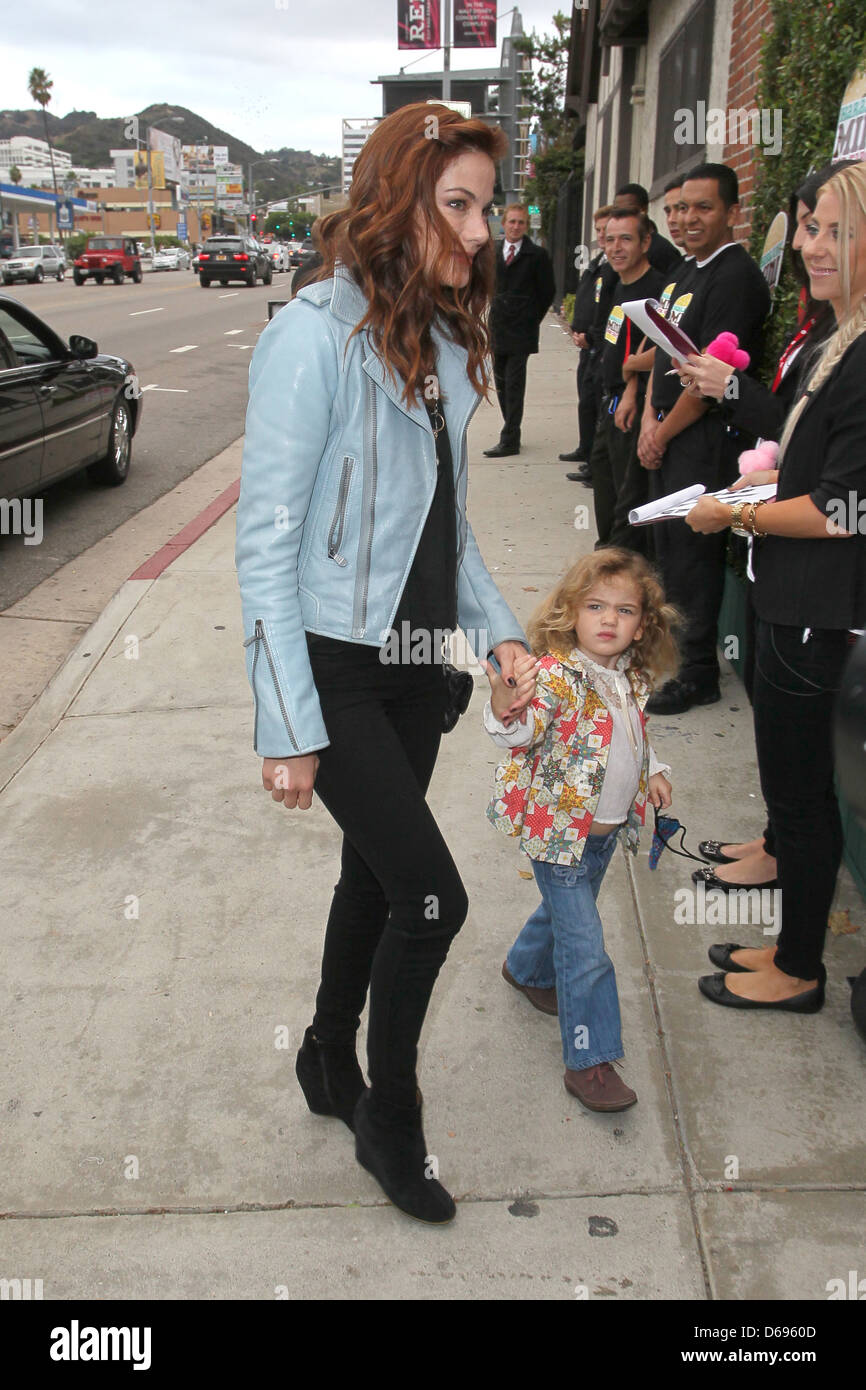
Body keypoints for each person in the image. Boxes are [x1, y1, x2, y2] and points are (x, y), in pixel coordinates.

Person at [235, 102, 531, 1224]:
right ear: (395, 199)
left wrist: (496, 629)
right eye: (453, 204)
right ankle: (389, 1116)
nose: (475, 228)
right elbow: (263, 540)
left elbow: (446, 529)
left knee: (372, 870)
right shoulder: (309, 338)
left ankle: (324, 1053)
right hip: (334, 666)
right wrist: (287, 724)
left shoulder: (447, 338)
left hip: (417, 667)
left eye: (483, 207)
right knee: (431, 896)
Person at [686, 161, 866, 1011]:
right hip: (787, 595)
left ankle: (799, 972)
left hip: (815, 604)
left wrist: (738, 517)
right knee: (790, 789)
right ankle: (792, 950)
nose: (811, 245)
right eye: (811, 228)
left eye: (834, 230)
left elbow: (840, 509)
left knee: (800, 795)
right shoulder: (837, 338)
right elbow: (806, 464)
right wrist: (752, 493)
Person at [483, 549, 677, 1110]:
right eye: (595, 606)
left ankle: (523, 968)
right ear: (570, 612)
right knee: (586, 947)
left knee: (565, 918)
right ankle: (590, 1061)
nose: (609, 620)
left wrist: (654, 769)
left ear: (643, 624)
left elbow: (630, 733)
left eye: (625, 610)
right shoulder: (556, 677)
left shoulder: (629, 676)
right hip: (559, 841)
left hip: (605, 837)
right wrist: (505, 708)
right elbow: (521, 730)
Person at [637, 163, 772, 715]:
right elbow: (663, 352)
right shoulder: (683, 274)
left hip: (701, 438)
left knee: (693, 555)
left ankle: (697, 673)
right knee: (667, 553)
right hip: (665, 431)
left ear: (732, 213)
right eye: (681, 208)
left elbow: (713, 376)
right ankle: (673, 657)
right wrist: (648, 415)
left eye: (704, 208)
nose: (688, 219)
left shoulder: (734, 278)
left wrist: (662, 432)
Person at [588, 210, 665, 545]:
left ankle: (619, 566)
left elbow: (663, 349)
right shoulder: (619, 283)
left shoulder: (657, 289)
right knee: (603, 485)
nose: (615, 247)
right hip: (609, 402)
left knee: (627, 500)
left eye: (626, 239)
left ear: (646, 242)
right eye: (609, 239)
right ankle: (605, 555)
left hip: (632, 407)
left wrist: (632, 388)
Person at [484, 204, 556, 456]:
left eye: (521, 223)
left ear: (526, 226)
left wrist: (530, 318)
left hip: (522, 331)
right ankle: (510, 426)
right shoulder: (492, 252)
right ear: (503, 224)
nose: (516, 227)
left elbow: (547, 292)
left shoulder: (536, 255)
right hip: (498, 327)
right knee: (502, 383)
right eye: (512, 222)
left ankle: (510, 438)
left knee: (515, 384)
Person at [561, 205, 613, 471]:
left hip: (597, 347)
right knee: (585, 401)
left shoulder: (612, 269)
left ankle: (595, 461)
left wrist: (590, 338)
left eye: (607, 230)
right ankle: (586, 449)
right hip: (586, 345)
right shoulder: (598, 262)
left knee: (596, 404)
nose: (602, 236)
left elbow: (606, 311)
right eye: (599, 230)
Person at [613, 182, 682, 275]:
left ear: (644, 210)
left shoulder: (663, 251)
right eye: (617, 212)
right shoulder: (614, 250)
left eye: (628, 211)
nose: (622, 217)